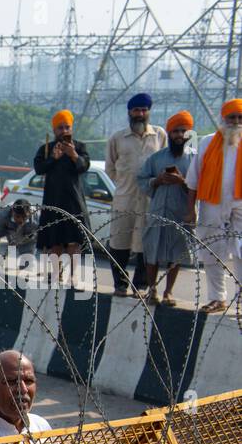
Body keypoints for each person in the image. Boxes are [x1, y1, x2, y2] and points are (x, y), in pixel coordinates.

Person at [106, 93, 168, 296]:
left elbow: (166, 165)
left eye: (144, 110)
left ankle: (140, 285)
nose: (140, 114)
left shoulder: (159, 135)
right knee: (119, 242)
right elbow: (110, 169)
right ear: (129, 112)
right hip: (125, 198)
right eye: (136, 110)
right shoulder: (117, 138)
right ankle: (120, 284)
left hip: (150, 200)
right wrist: (125, 184)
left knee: (145, 244)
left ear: (149, 112)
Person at [185, 99, 242, 314]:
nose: (236, 122)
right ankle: (217, 298)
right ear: (223, 119)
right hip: (212, 202)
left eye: (240, 118)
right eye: (231, 118)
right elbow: (193, 179)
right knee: (211, 250)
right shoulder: (207, 143)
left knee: (240, 252)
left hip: (240, 204)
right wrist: (190, 208)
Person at [138, 110, 197, 306]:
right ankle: (152, 290)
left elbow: (199, 187)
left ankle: (168, 292)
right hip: (157, 211)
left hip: (181, 213)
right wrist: (158, 180)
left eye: (183, 131)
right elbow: (142, 180)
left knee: (175, 254)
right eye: (175, 131)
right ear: (169, 133)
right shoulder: (156, 158)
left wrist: (182, 181)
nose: (179, 135)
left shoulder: (194, 159)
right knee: (152, 252)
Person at [33, 110, 93, 289]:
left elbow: (84, 166)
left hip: (73, 200)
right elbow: (39, 168)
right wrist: (53, 158)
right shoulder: (46, 148)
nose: (64, 131)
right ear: (54, 130)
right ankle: (55, 273)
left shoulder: (79, 147)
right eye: (60, 128)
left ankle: (73, 276)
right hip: (53, 201)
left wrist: (73, 155)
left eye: (67, 127)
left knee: (74, 242)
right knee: (55, 241)